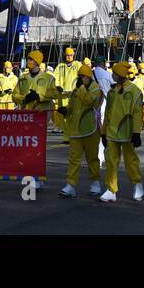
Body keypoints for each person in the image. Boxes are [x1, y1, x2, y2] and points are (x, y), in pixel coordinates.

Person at [100, 61, 144, 202]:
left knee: (130, 161)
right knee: (111, 161)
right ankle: (111, 189)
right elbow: (108, 112)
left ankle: (137, 184)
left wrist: (136, 132)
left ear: (120, 74)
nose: (112, 75)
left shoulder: (135, 91)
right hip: (112, 132)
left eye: (114, 73)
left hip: (127, 132)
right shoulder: (112, 92)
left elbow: (137, 113)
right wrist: (103, 132)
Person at [60, 65, 104, 198]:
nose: (81, 78)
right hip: (76, 130)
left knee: (92, 158)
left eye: (83, 76)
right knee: (74, 159)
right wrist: (66, 111)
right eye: (80, 76)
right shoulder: (77, 90)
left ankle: (95, 183)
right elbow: (72, 107)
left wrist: (81, 88)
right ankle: (70, 185)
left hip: (91, 129)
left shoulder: (96, 88)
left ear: (88, 76)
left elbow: (89, 102)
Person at [52, 47, 81, 132]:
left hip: (74, 94)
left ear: (73, 55)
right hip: (63, 94)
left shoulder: (77, 64)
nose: (69, 57)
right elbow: (54, 77)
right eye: (67, 55)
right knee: (63, 114)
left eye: (71, 55)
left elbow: (82, 75)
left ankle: (74, 129)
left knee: (74, 112)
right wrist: (57, 86)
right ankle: (65, 131)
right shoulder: (60, 66)